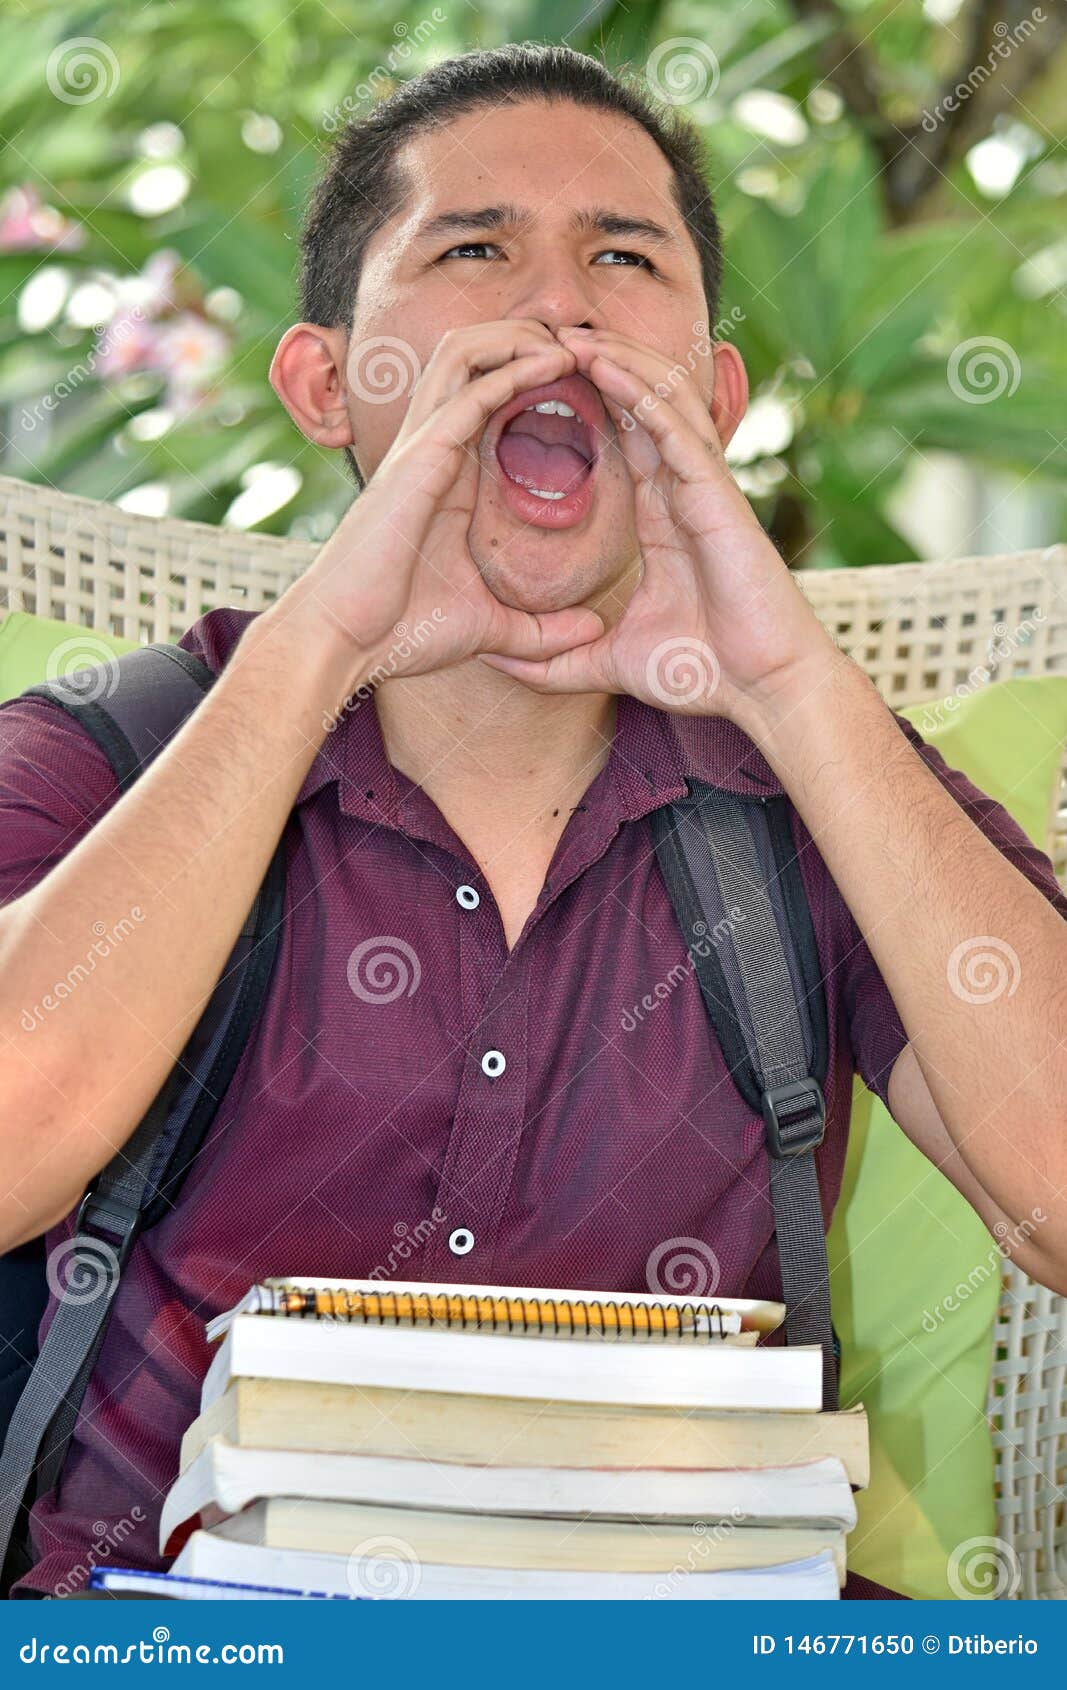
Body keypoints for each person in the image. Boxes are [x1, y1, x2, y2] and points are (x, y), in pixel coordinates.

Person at [1, 43, 1064, 1602]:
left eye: (624, 258)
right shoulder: (109, 751)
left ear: (713, 398)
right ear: (322, 383)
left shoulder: (828, 783)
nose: (558, 307)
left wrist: (789, 682)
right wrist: (323, 641)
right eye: (474, 249)